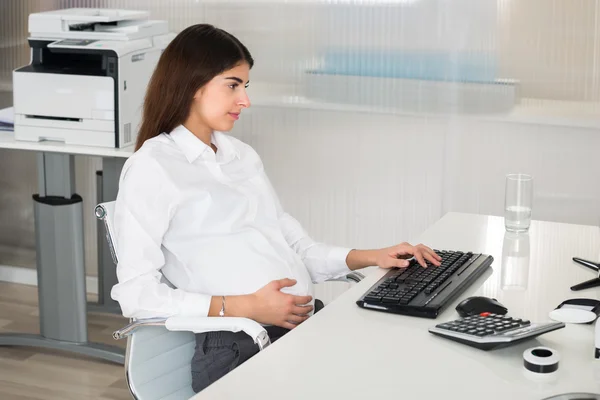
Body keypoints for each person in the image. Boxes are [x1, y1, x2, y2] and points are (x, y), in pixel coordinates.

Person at [111, 24, 442, 393]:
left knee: (408, 366)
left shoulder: (241, 156)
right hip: (241, 343)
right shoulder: (153, 166)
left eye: (245, 87)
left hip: (302, 325)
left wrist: (372, 256)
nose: (245, 101)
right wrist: (248, 306)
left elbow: (297, 249)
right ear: (193, 83)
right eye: (233, 85)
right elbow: (137, 296)